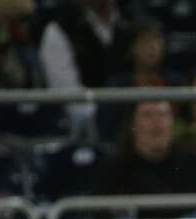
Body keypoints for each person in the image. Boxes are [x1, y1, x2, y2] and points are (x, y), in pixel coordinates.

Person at [38, 0, 131, 136]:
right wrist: (105, 116)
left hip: (133, 118)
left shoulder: (133, 21)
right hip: (85, 123)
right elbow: (68, 94)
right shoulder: (60, 29)